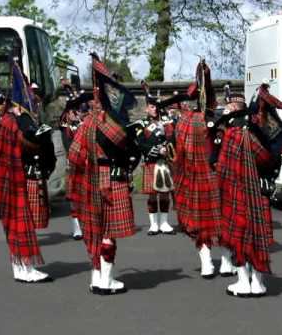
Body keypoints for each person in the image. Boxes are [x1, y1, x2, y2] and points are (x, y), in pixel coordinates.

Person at [67, 54, 140, 295]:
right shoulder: (117, 126)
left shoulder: (87, 123)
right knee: (108, 232)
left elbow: (74, 156)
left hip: (92, 179)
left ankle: (96, 277)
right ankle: (107, 281)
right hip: (113, 180)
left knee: (94, 230)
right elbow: (132, 152)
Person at [0, 96, 52, 283]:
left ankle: (19, 268)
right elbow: (25, 144)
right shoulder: (11, 124)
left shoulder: (4, 123)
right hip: (14, 179)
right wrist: (37, 135)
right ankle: (27, 269)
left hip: (8, 180)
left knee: (14, 225)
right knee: (21, 225)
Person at [173, 60, 227, 279]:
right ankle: (223, 261)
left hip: (196, 176)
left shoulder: (185, 121)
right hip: (213, 174)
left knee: (201, 222)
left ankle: (210, 263)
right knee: (221, 219)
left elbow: (179, 153)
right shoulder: (216, 119)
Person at [217, 93, 274, 297]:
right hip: (258, 191)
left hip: (235, 191)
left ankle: (243, 282)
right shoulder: (256, 131)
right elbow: (268, 158)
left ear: (233, 107)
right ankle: (257, 284)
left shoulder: (232, 134)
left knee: (239, 237)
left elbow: (222, 167)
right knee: (257, 236)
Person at [135, 89, 175, 235]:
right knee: (152, 194)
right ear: (146, 108)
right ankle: (154, 224)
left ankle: (164, 223)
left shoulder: (165, 122)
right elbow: (141, 144)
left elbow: (172, 139)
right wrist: (157, 150)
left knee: (164, 193)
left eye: (156, 106)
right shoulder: (141, 124)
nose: (154, 109)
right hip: (151, 161)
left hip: (164, 162)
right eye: (152, 106)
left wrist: (166, 148)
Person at [60, 103, 84, 240]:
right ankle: (77, 229)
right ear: (68, 114)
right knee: (74, 200)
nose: (77, 114)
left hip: (86, 167)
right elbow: (69, 146)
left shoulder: (83, 126)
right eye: (73, 112)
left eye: (78, 111)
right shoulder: (66, 129)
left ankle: (88, 226)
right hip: (73, 167)